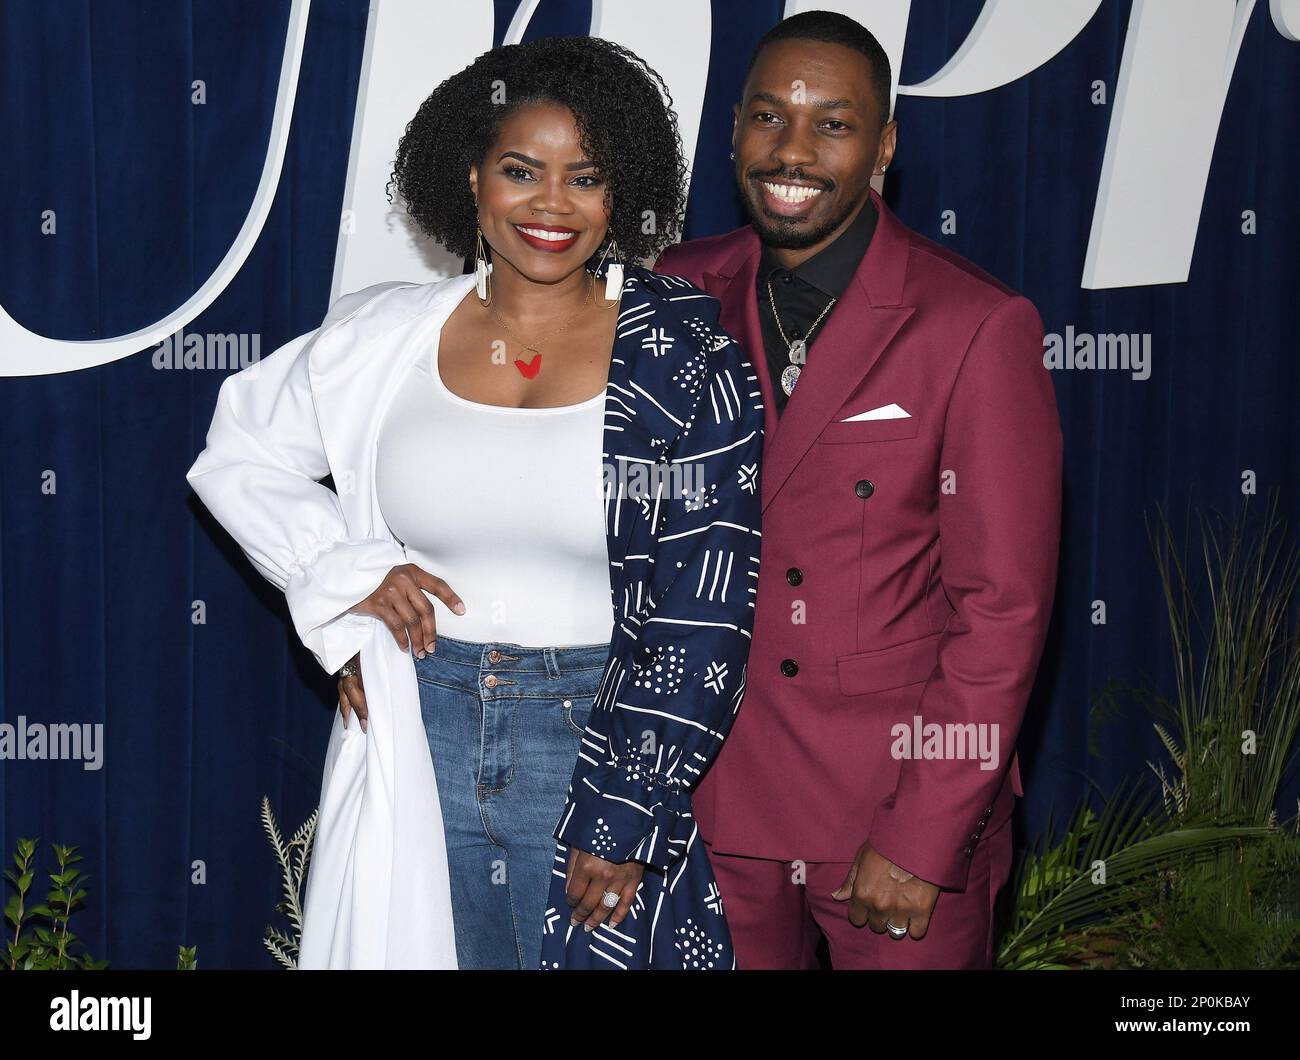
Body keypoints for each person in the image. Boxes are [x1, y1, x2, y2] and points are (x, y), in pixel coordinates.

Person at [187, 35, 763, 970]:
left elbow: (706, 612)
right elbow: (237, 451)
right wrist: (347, 584)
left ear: (621, 192)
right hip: (413, 723)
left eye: (585, 177)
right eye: (521, 170)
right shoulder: (382, 337)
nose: (551, 204)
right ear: (471, 178)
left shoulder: (681, 358)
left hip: (592, 741)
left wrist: (625, 807)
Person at [655, 10, 1062, 969]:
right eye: (768, 117)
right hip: (711, 803)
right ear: (733, 132)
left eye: (832, 124)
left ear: (883, 146)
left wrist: (925, 834)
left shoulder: (972, 324)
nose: (792, 149)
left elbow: (1001, 612)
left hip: (891, 814)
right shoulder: (674, 291)